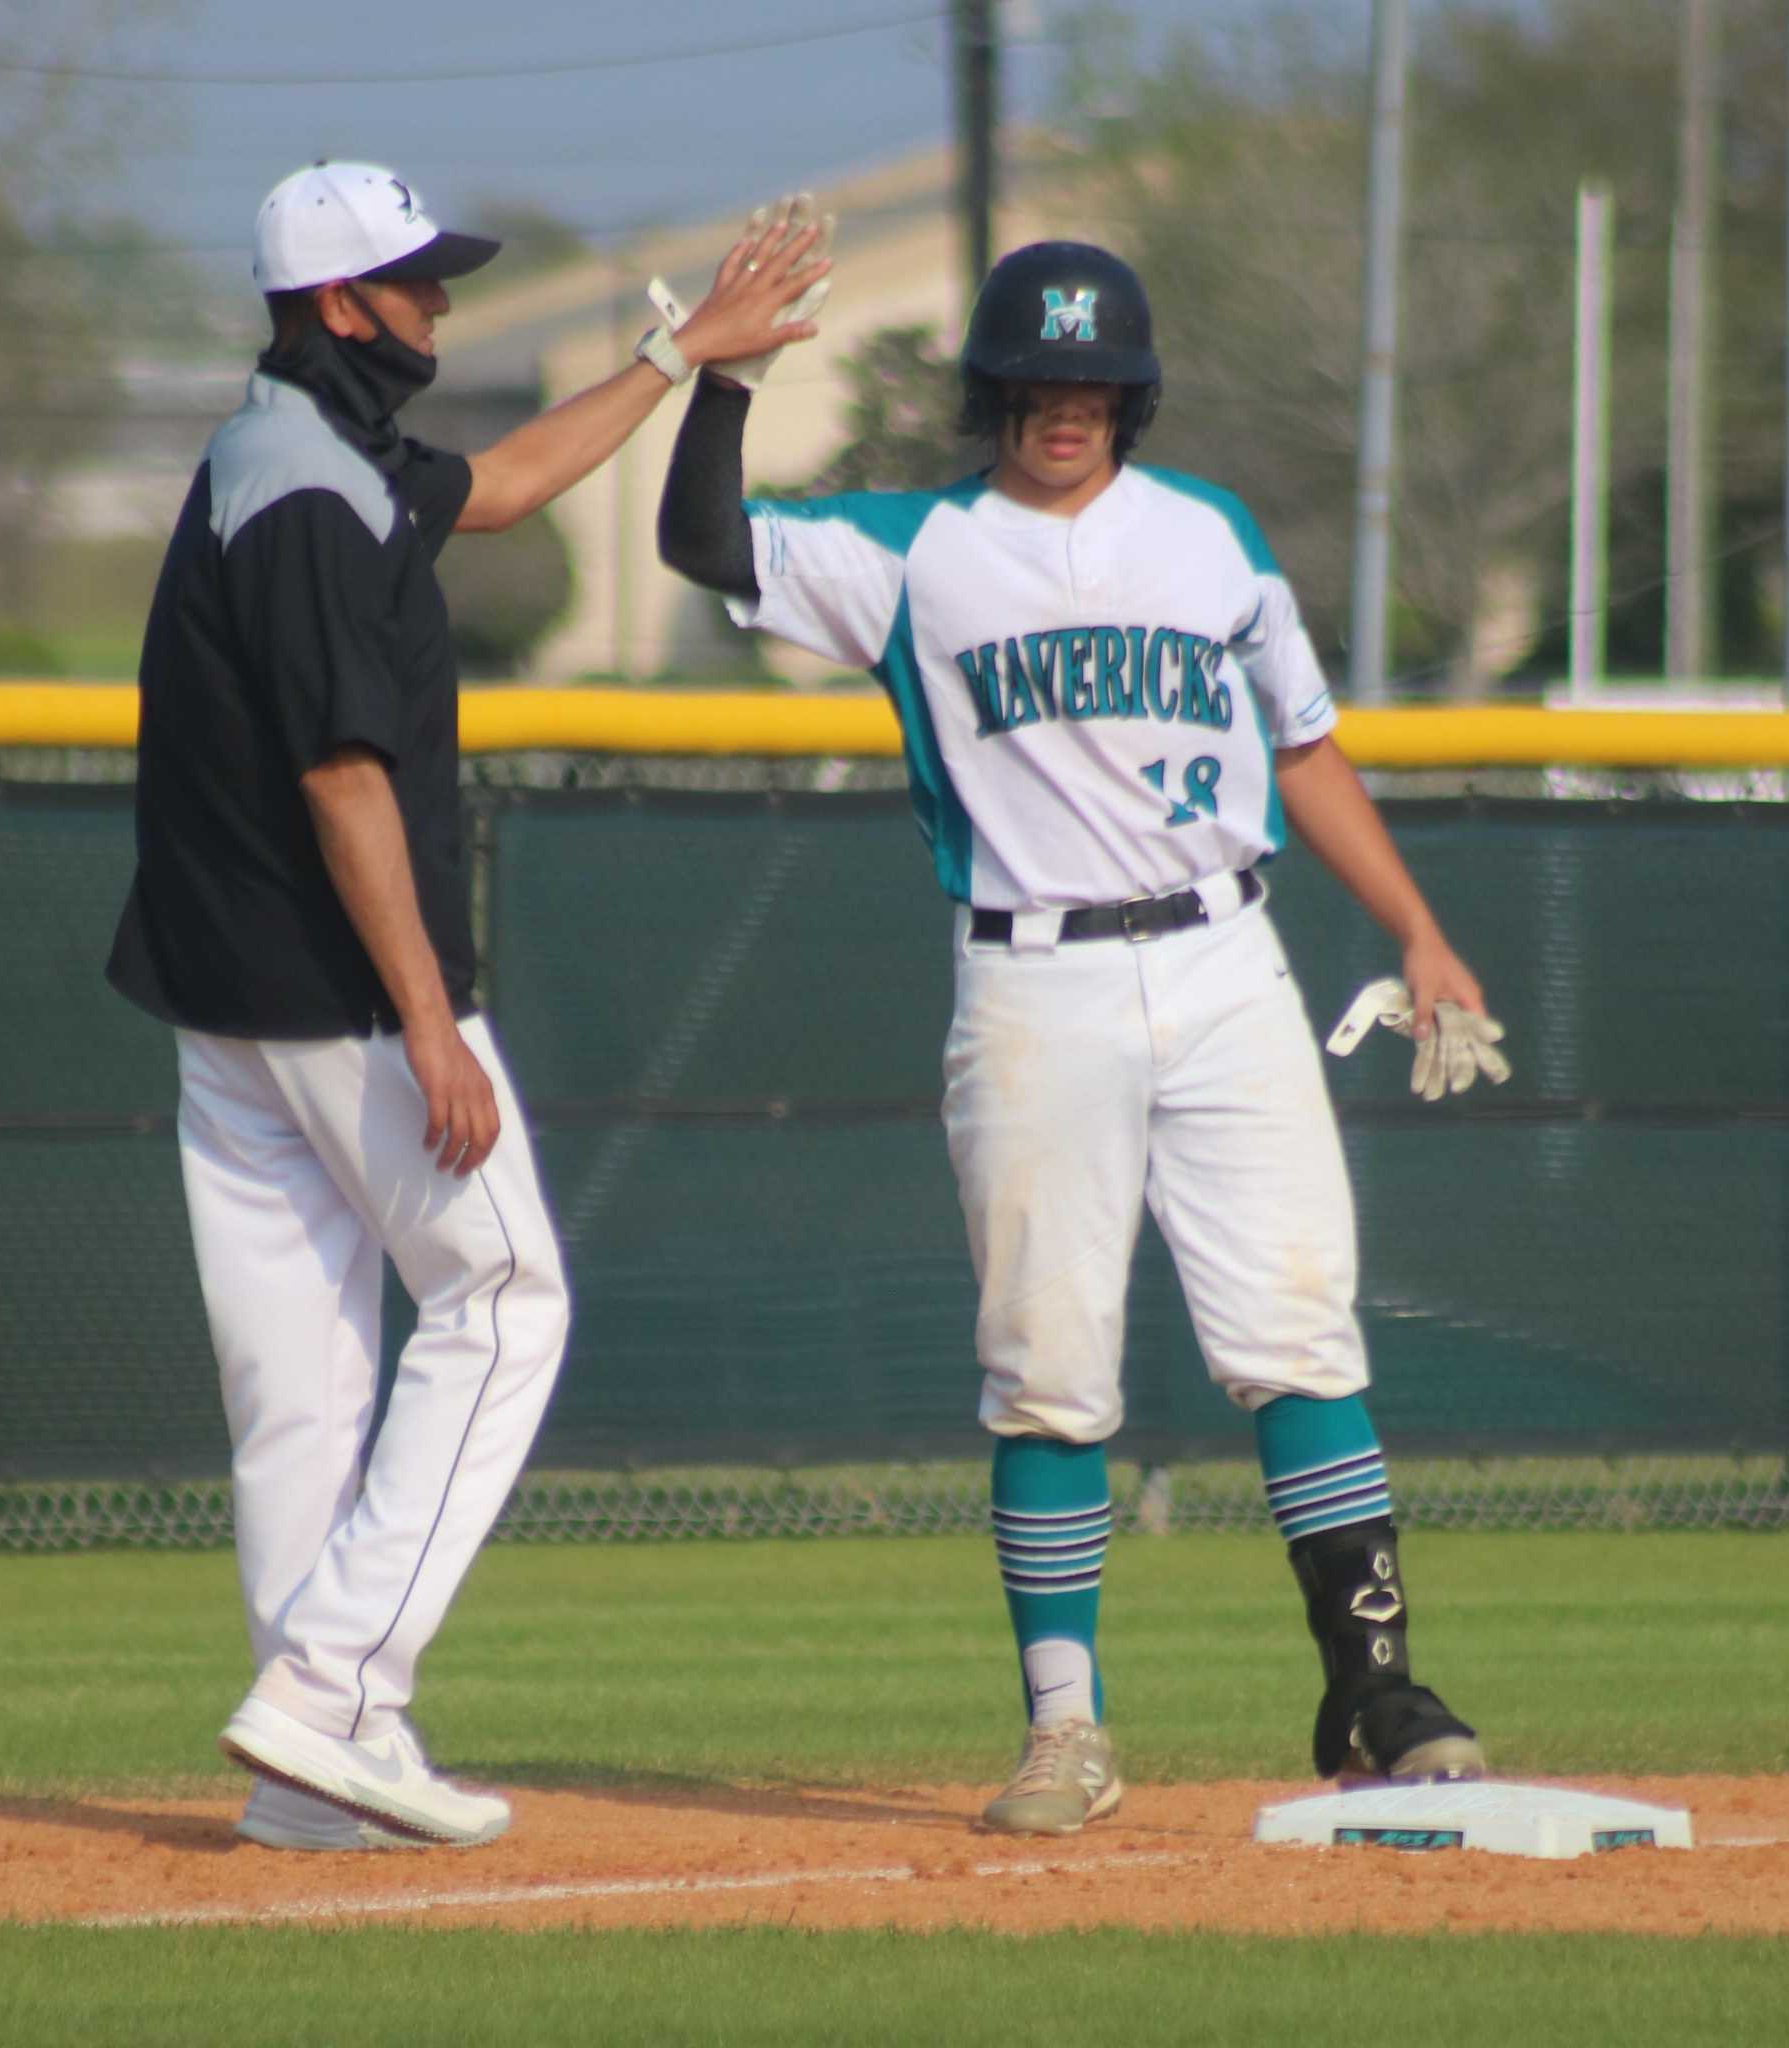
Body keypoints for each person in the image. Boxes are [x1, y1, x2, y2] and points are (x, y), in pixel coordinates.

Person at [658, 235, 1508, 1836]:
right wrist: (729, 378)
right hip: (1034, 984)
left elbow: (1306, 751)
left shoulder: (1212, 539)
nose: (1067, 407)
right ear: (995, 391)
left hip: (1223, 961)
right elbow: (702, 542)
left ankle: (1376, 1689)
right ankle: (1065, 1728)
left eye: (1096, 383)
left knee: (1301, 1333)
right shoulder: (917, 550)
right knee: (1049, 1375)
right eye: (1040, 382)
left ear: (1134, 396)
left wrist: (1418, 927)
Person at [107, 161, 826, 1851]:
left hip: (228, 1002)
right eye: (418, 282)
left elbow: (500, 489)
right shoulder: (305, 492)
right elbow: (345, 775)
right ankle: (337, 1689)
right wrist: (429, 1019)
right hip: (340, 994)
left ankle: (306, 1786)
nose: (443, 301)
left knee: (304, 1387)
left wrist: (685, 359)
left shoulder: (301, 446)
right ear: (342, 305)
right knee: (505, 1298)